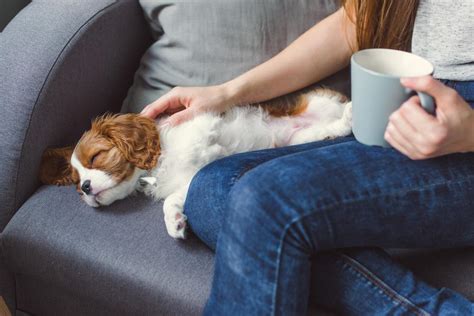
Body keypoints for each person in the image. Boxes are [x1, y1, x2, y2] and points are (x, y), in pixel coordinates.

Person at [142, 0, 474, 314]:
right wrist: (226, 94)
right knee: (211, 189)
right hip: (418, 104)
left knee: (265, 201)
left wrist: (469, 131)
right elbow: (357, 22)